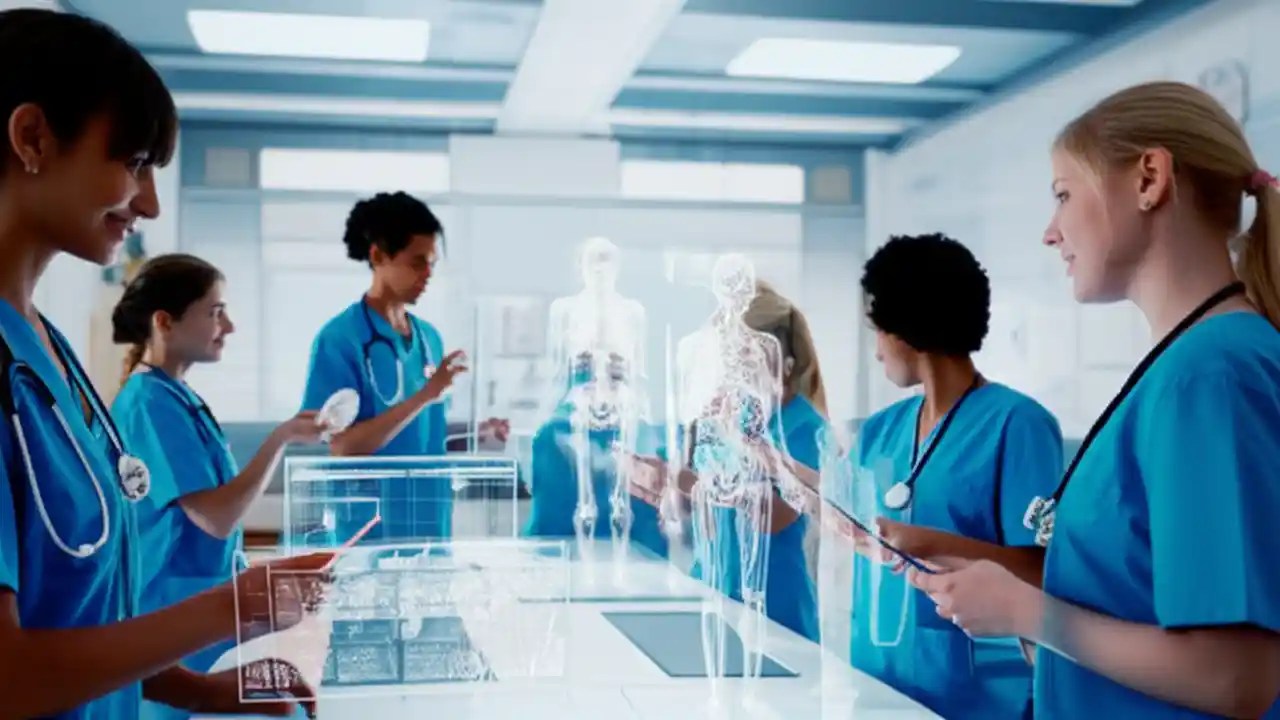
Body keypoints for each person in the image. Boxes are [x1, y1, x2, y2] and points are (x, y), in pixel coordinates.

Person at [909, 81, 1280, 719]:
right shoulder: (1185, 367)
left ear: (1149, 178)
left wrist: (1025, 609)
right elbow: (1129, 604)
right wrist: (999, 588)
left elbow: (1235, 677)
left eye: (1062, 195)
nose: (1050, 233)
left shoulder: (1210, 375)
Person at [0, 9, 330, 719]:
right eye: (135, 164)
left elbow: (89, 609)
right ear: (32, 138)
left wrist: (204, 690)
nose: (147, 201)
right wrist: (231, 610)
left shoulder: (50, 354)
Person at [829, 234, 1062, 720]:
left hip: (975, 698)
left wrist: (927, 542)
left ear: (905, 328)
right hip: (876, 687)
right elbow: (835, 503)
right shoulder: (881, 430)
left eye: (877, 331)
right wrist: (769, 462)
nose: (876, 352)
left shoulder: (1017, 425)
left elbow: (1042, 571)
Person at [110, 254, 333, 720]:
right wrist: (282, 438)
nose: (228, 325)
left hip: (204, 614)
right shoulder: (148, 403)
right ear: (165, 322)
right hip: (172, 620)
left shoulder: (179, 397)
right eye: (214, 312)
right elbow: (217, 518)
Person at [300, 192, 508, 544]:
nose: (427, 275)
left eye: (432, 264)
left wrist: (474, 433)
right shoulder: (340, 340)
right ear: (378, 256)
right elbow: (343, 446)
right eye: (417, 263)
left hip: (431, 523)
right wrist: (427, 394)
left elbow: (423, 433)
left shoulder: (429, 338)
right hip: (370, 530)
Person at [628, 280, 828, 642]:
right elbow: (698, 504)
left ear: (783, 363)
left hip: (775, 610)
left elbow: (775, 516)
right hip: (711, 592)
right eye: (728, 356)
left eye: (744, 355)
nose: (733, 368)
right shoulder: (720, 419)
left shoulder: (803, 426)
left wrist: (733, 454)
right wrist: (665, 480)